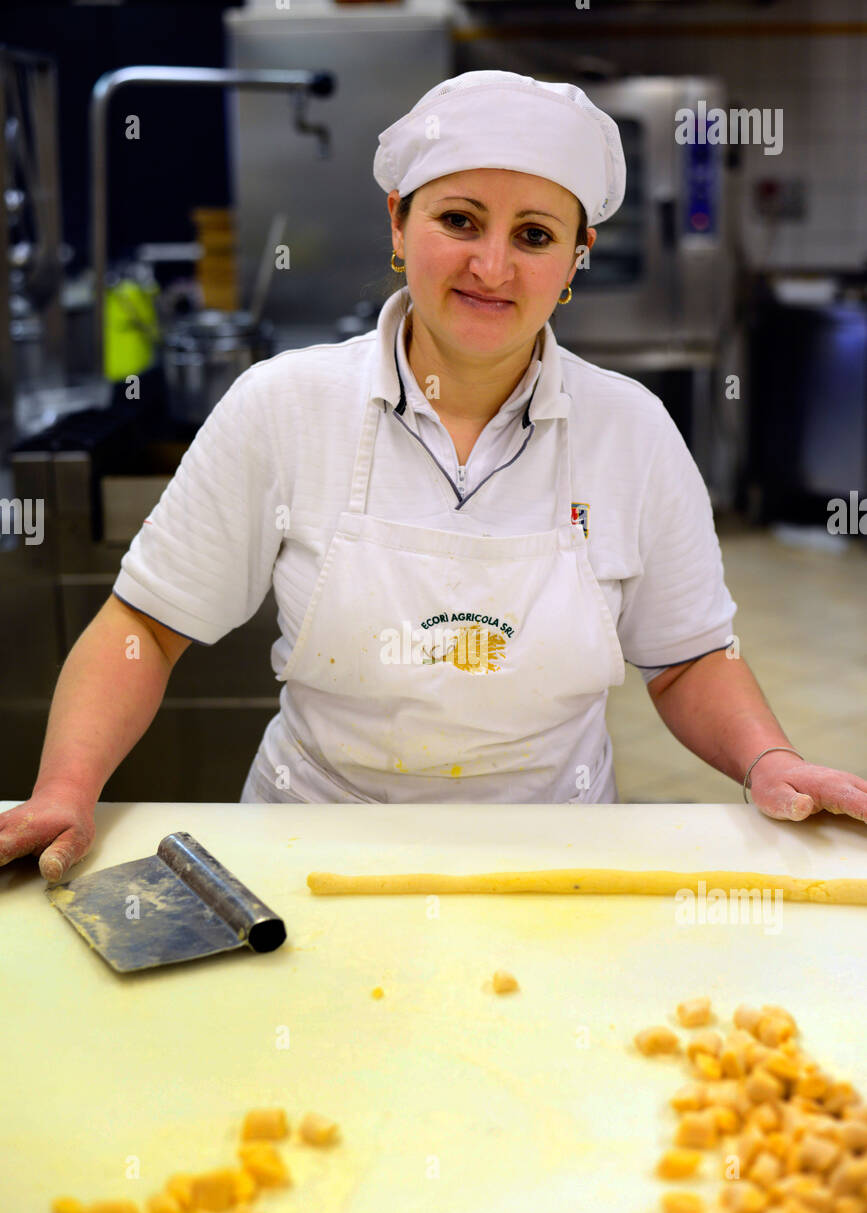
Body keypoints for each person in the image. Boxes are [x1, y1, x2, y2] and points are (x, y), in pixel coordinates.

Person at [1, 70, 864, 885]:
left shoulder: (629, 429)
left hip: (554, 862)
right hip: (312, 853)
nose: (492, 266)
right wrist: (65, 791)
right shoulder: (285, 404)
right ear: (397, 223)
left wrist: (769, 759)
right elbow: (145, 628)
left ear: (574, 260)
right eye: (458, 220)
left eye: (534, 235)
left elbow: (687, 661)